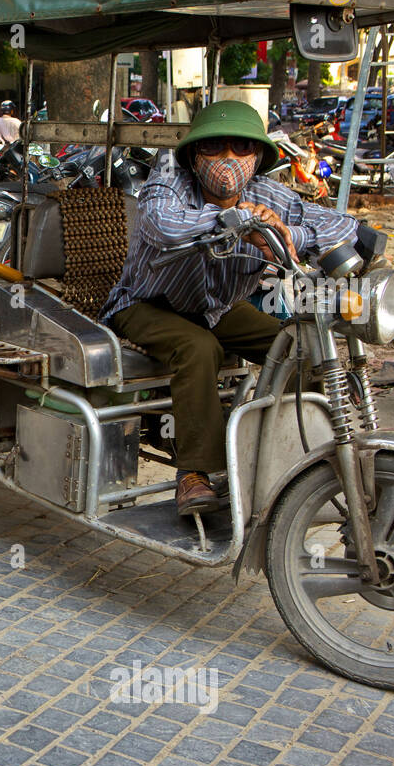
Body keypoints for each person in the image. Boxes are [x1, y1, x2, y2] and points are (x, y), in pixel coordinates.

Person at [98, 100, 358, 517]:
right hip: (147, 303)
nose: (228, 160)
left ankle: (305, 454)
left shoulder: (269, 194)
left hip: (218, 308)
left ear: (257, 157)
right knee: (199, 348)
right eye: (215, 148)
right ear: (194, 157)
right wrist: (235, 221)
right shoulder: (168, 184)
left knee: (296, 346)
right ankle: (195, 474)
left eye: (241, 148)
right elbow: (162, 224)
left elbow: (341, 223)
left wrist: (285, 230)